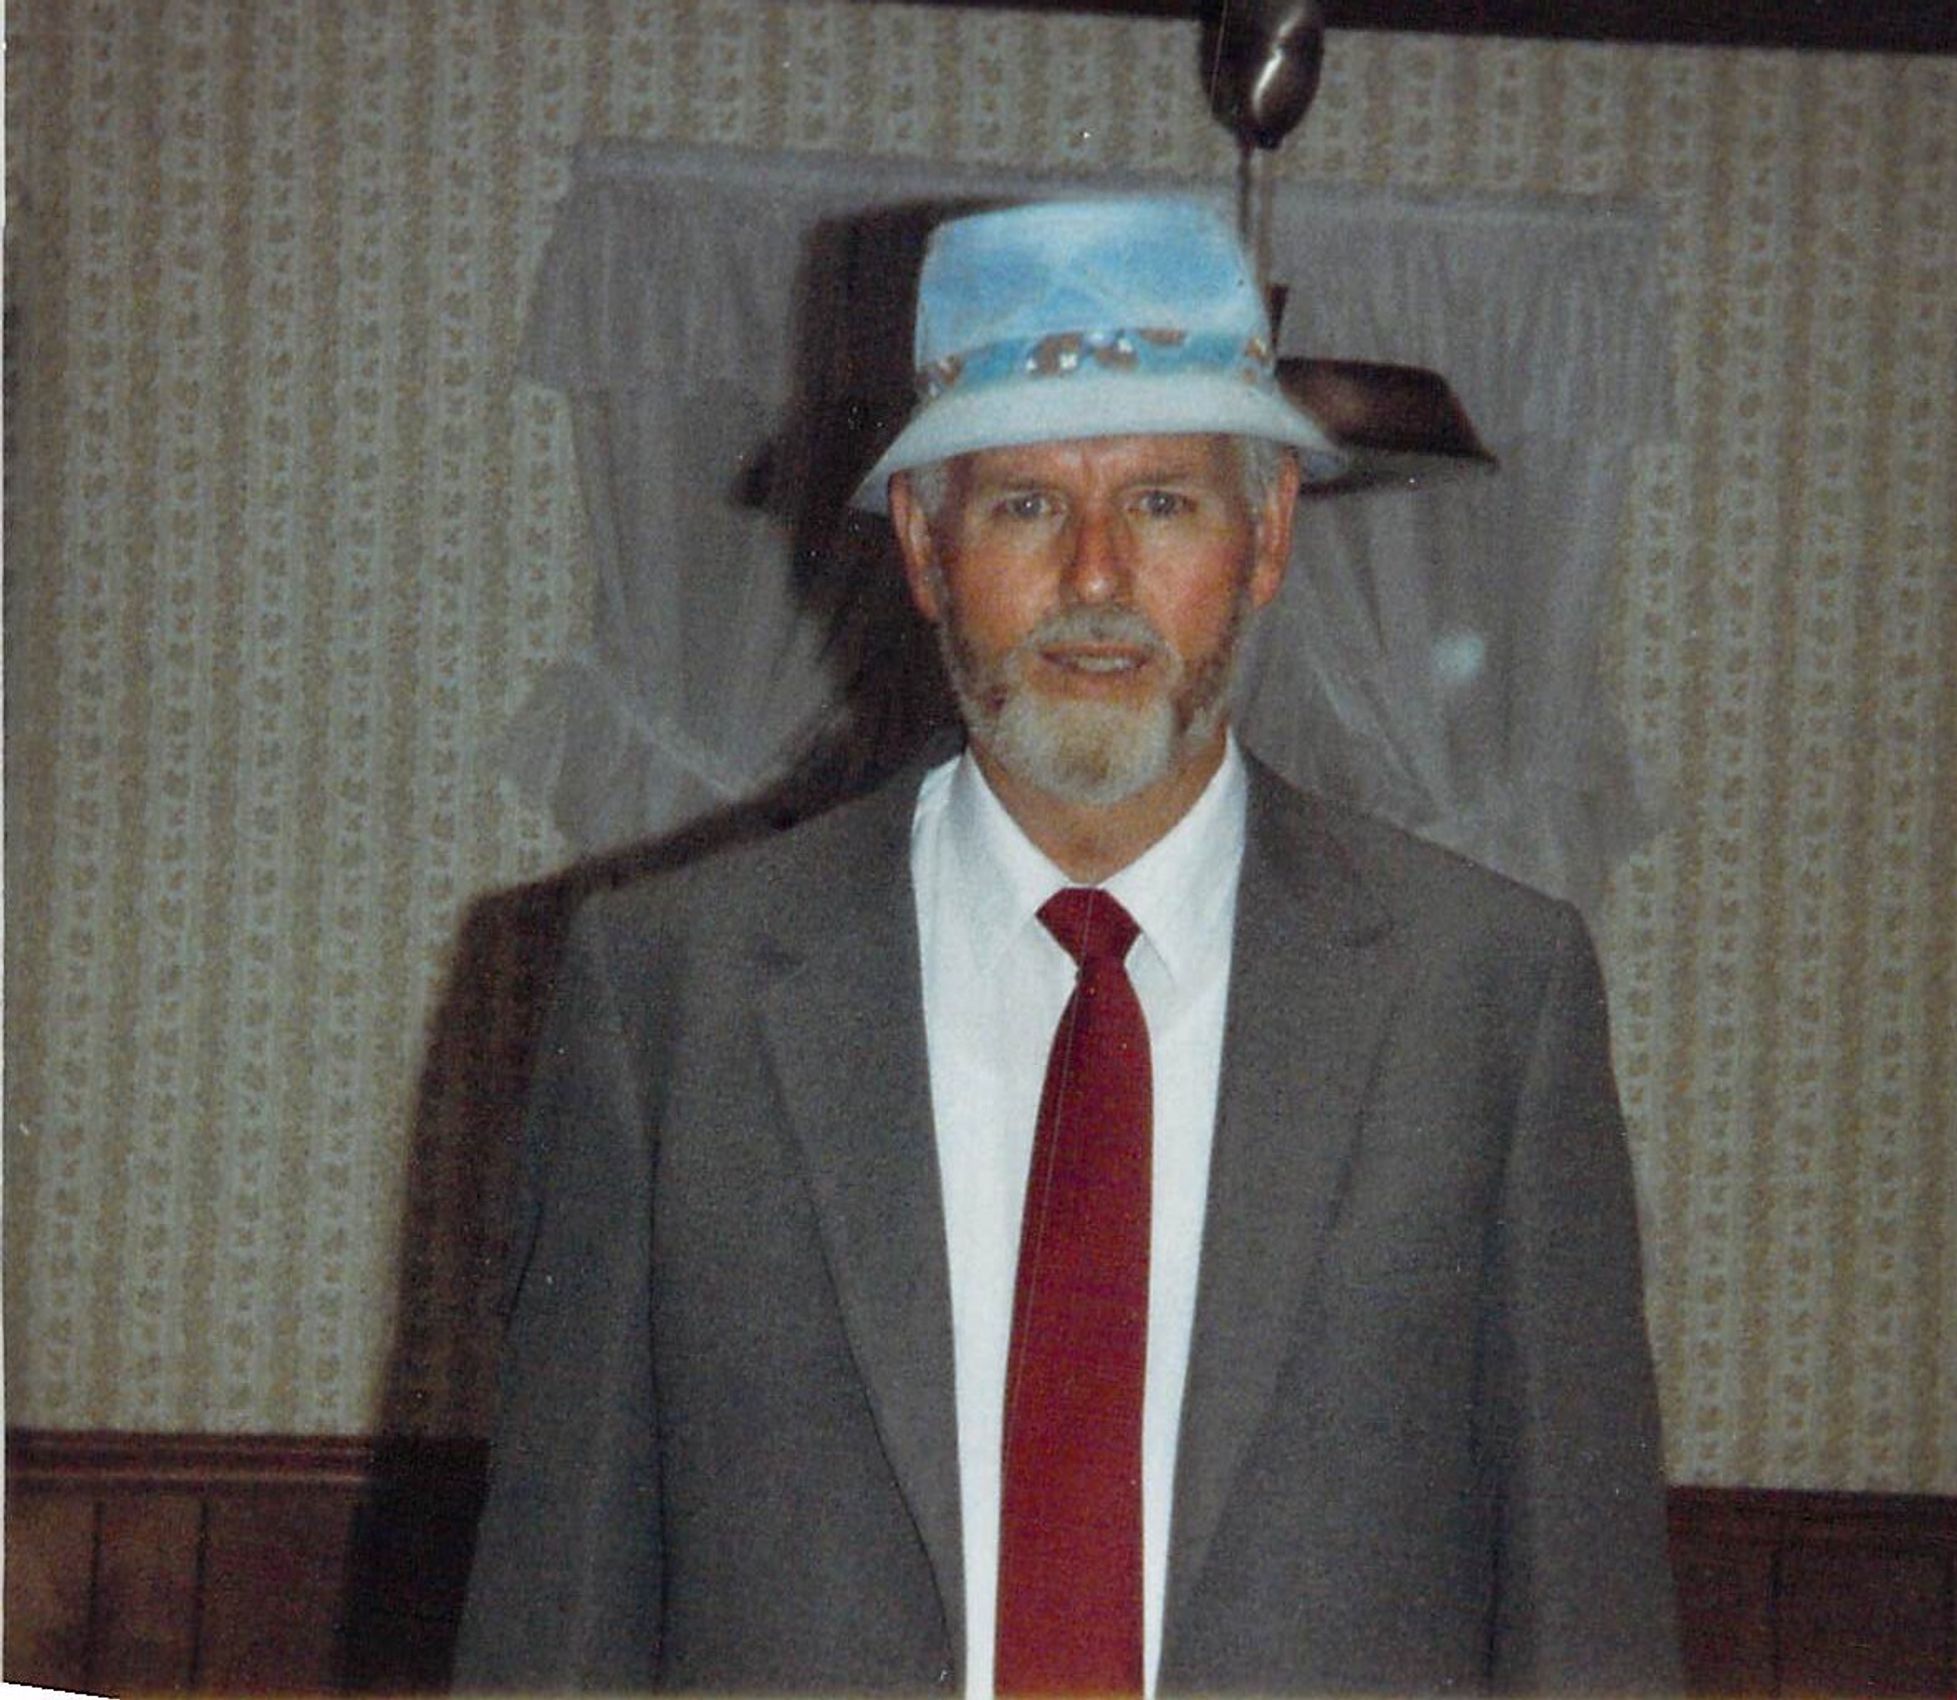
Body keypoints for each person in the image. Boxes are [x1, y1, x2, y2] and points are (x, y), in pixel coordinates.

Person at [453, 196, 1681, 1696]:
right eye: (1027, 505)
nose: (1096, 577)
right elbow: (553, 1638)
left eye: (1162, 503)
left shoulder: (1489, 1001)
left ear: (1269, 535)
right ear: (924, 545)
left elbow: (1590, 1636)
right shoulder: (670, 1000)